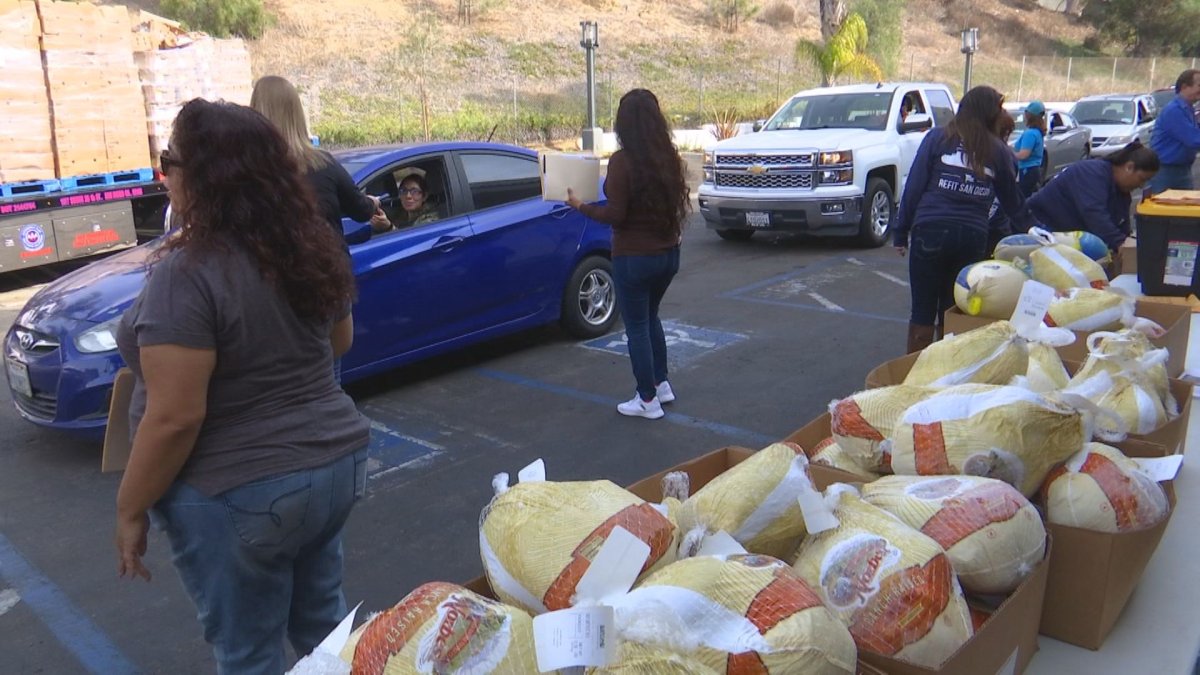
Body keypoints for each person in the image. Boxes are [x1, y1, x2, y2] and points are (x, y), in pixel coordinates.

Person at [115, 99, 371, 674]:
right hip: (333, 465)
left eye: (169, 162)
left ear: (204, 176)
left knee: (249, 655)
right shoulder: (308, 246)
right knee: (327, 634)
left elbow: (175, 417)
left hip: (239, 488)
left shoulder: (188, 274)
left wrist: (130, 510)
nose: (164, 175)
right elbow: (340, 341)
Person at [565, 89, 688, 420]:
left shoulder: (622, 161)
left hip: (634, 257)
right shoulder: (668, 157)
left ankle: (647, 399)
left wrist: (580, 206)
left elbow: (615, 215)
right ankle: (661, 384)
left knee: (636, 326)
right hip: (668, 254)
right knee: (651, 317)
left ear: (624, 123)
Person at [894, 85, 1034, 353]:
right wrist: (1034, 231)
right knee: (953, 310)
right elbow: (1013, 201)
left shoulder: (937, 138)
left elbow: (914, 186)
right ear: (989, 113)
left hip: (930, 230)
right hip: (972, 236)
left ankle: (914, 369)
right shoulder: (999, 151)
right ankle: (948, 367)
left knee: (922, 310)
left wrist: (901, 231)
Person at [250, 75, 390, 237]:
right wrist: (372, 202)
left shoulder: (243, 171)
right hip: (323, 252)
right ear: (297, 113)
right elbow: (360, 210)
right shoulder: (322, 163)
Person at [1028, 141, 1159, 264]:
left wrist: (1125, 242)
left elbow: (1121, 225)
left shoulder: (1120, 190)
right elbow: (1094, 213)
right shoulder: (1092, 172)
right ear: (1129, 167)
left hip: (1066, 231)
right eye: (1141, 179)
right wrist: (1119, 242)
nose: (1141, 185)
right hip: (1039, 227)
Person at [1148, 69, 1200, 193]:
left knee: (1186, 204)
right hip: (1165, 172)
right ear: (1184, 87)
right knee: (1163, 204)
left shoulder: (1188, 109)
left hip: (1182, 169)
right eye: (1199, 85)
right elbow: (1194, 140)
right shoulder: (1174, 110)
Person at [1013, 100, 1046, 198]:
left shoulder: (1030, 133)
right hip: (1034, 170)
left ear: (1029, 115)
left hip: (1026, 171)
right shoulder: (1037, 132)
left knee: (1022, 199)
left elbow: (1024, 155)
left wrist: (1008, 154)